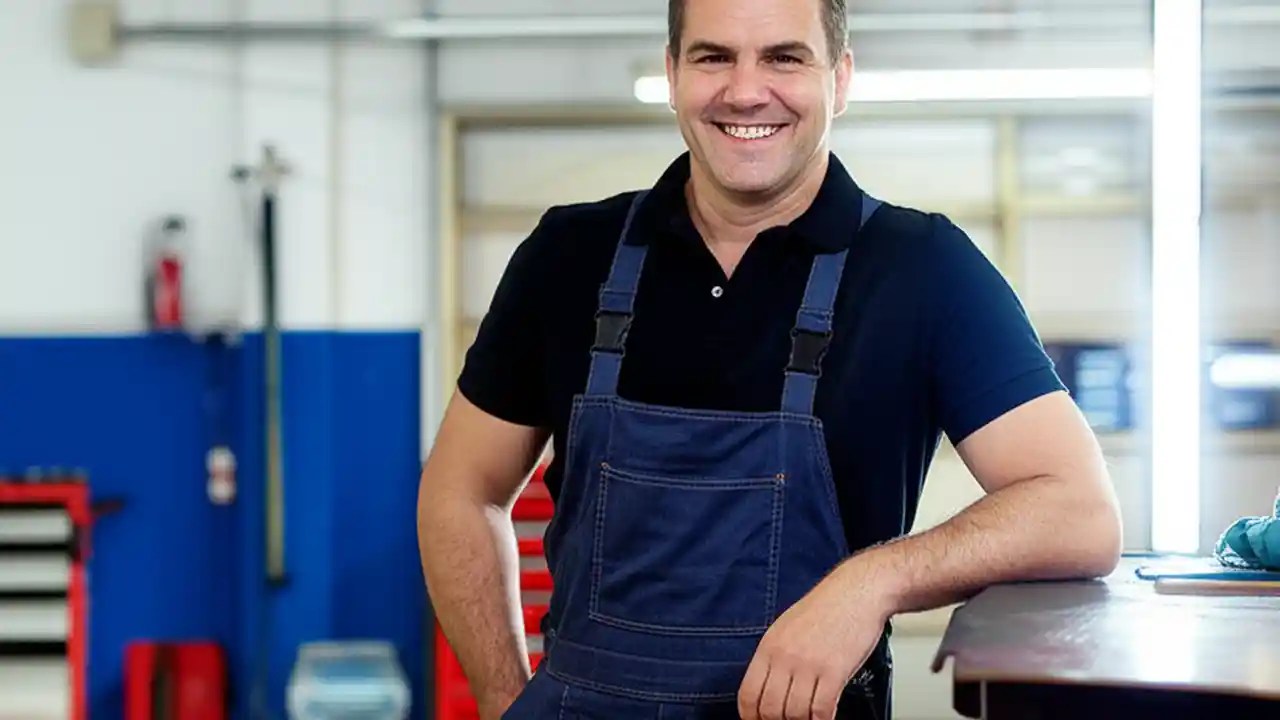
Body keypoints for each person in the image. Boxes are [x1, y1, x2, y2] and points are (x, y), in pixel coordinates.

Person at [417, 0, 1124, 717]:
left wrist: (870, 583)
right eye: (713, 57)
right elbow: (460, 489)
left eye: (784, 57)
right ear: (672, 73)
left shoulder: (922, 270)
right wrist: (504, 699)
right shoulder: (568, 256)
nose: (746, 91)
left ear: (839, 79)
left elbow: (1079, 510)